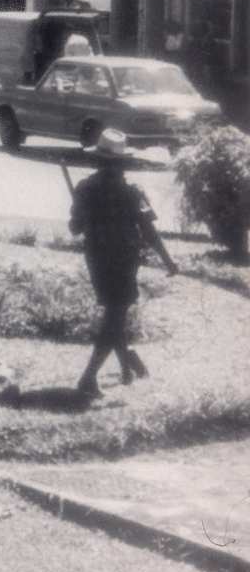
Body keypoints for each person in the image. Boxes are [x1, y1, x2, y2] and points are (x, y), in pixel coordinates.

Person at [68, 129, 178, 397]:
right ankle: (89, 378)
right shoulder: (131, 192)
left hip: (97, 258)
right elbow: (149, 231)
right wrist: (168, 261)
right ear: (122, 163)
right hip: (123, 260)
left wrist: (83, 213)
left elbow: (75, 228)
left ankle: (127, 367)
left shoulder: (85, 188)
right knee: (115, 316)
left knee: (114, 313)